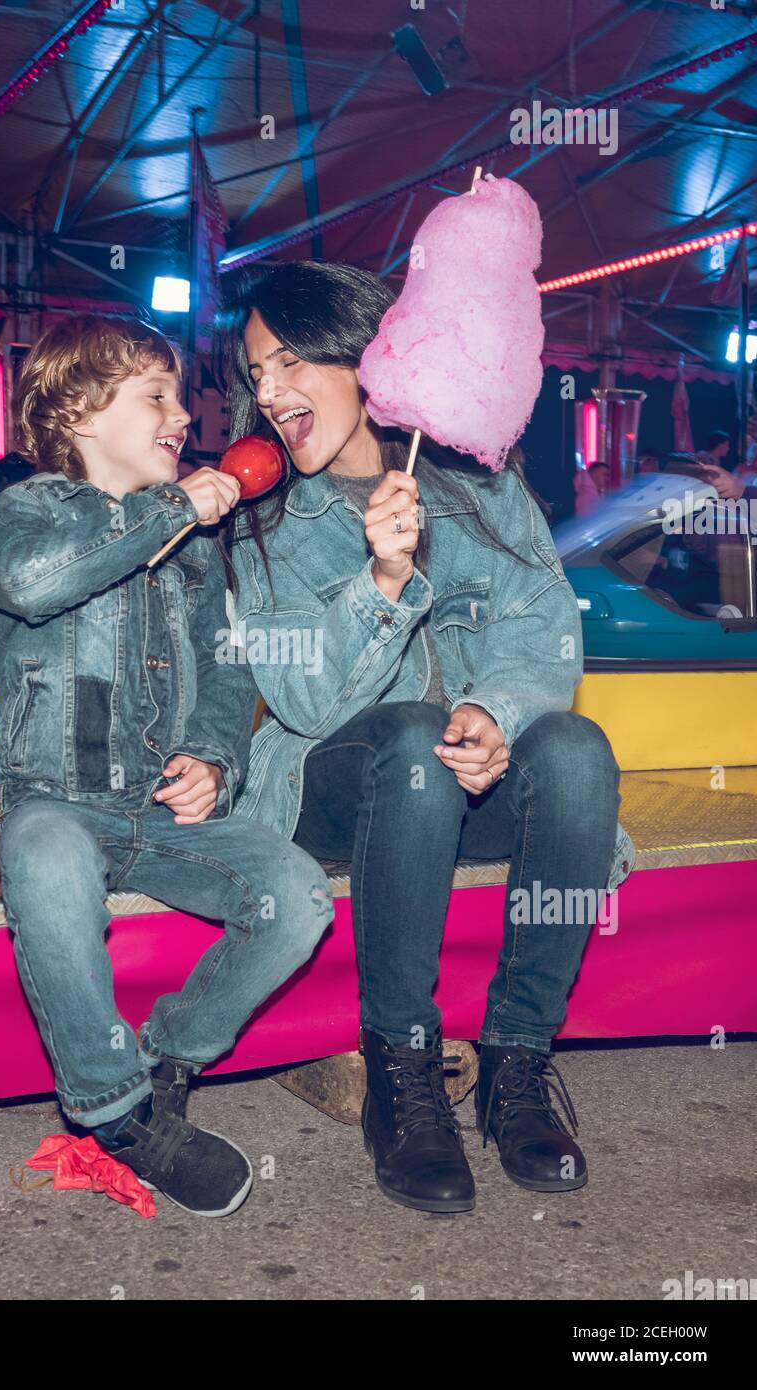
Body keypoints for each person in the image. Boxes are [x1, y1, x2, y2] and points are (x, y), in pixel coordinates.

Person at [221, 261, 635, 1215]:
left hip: (468, 789)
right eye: (255, 373)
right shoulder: (266, 513)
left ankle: (516, 1062)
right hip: (339, 791)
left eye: (288, 362)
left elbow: (542, 632)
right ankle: (402, 1071)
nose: (268, 390)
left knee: (572, 748)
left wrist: (496, 716)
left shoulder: (485, 491)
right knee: (410, 742)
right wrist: (377, 579)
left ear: (372, 360)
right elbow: (301, 697)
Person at [0, 314, 334, 1218]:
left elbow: (228, 666)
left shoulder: (197, 555)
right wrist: (174, 507)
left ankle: (168, 1055)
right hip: (54, 800)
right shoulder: (31, 511)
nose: (185, 414)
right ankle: (115, 1109)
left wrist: (214, 755)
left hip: (159, 812)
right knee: (46, 858)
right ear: (79, 412)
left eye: (181, 394)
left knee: (293, 895)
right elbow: (35, 584)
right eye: (156, 396)